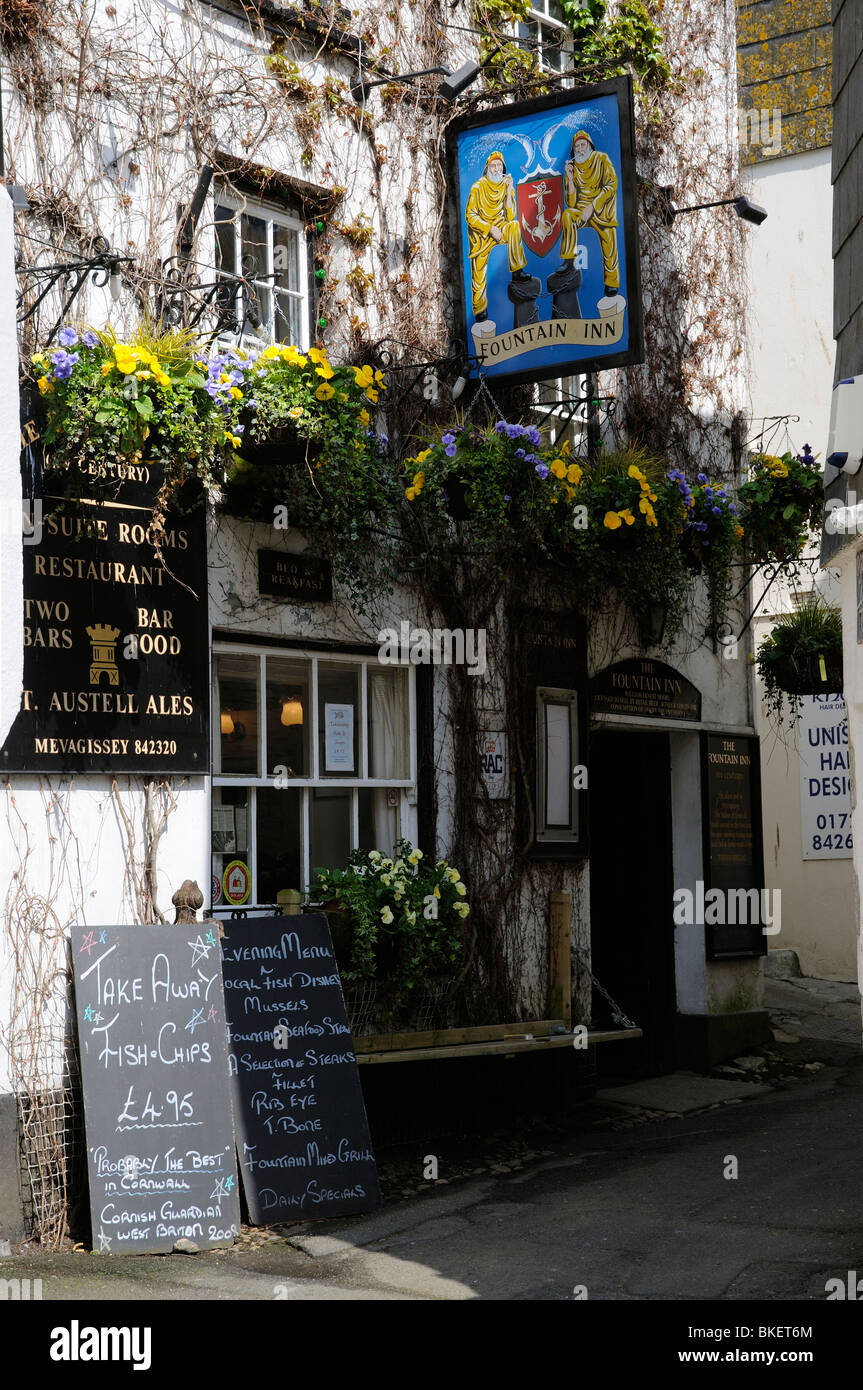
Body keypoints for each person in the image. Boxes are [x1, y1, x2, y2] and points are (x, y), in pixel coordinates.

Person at [465, 152, 531, 330]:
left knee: (515, 226)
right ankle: (480, 310)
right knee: (478, 271)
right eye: (493, 166)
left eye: (499, 166)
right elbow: (470, 216)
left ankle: (517, 271)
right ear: (487, 168)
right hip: (482, 236)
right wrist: (489, 228)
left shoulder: (505, 185)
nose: (496, 169)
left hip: (501, 228)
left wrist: (509, 191)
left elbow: (511, 216)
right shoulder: (477, 187)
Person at [559, 130, 623, 311]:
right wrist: (570, 178)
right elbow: (570, 202)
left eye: (582, 145)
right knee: (568, 215)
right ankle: (569, 262)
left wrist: (593, 206)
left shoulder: (601, 159)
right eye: (577, 146)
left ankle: (612, 283)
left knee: (609, 239)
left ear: (589, 145)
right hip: (581, 210)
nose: (580, 149)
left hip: (600, 210)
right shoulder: (572, 166)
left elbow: (612, 184)